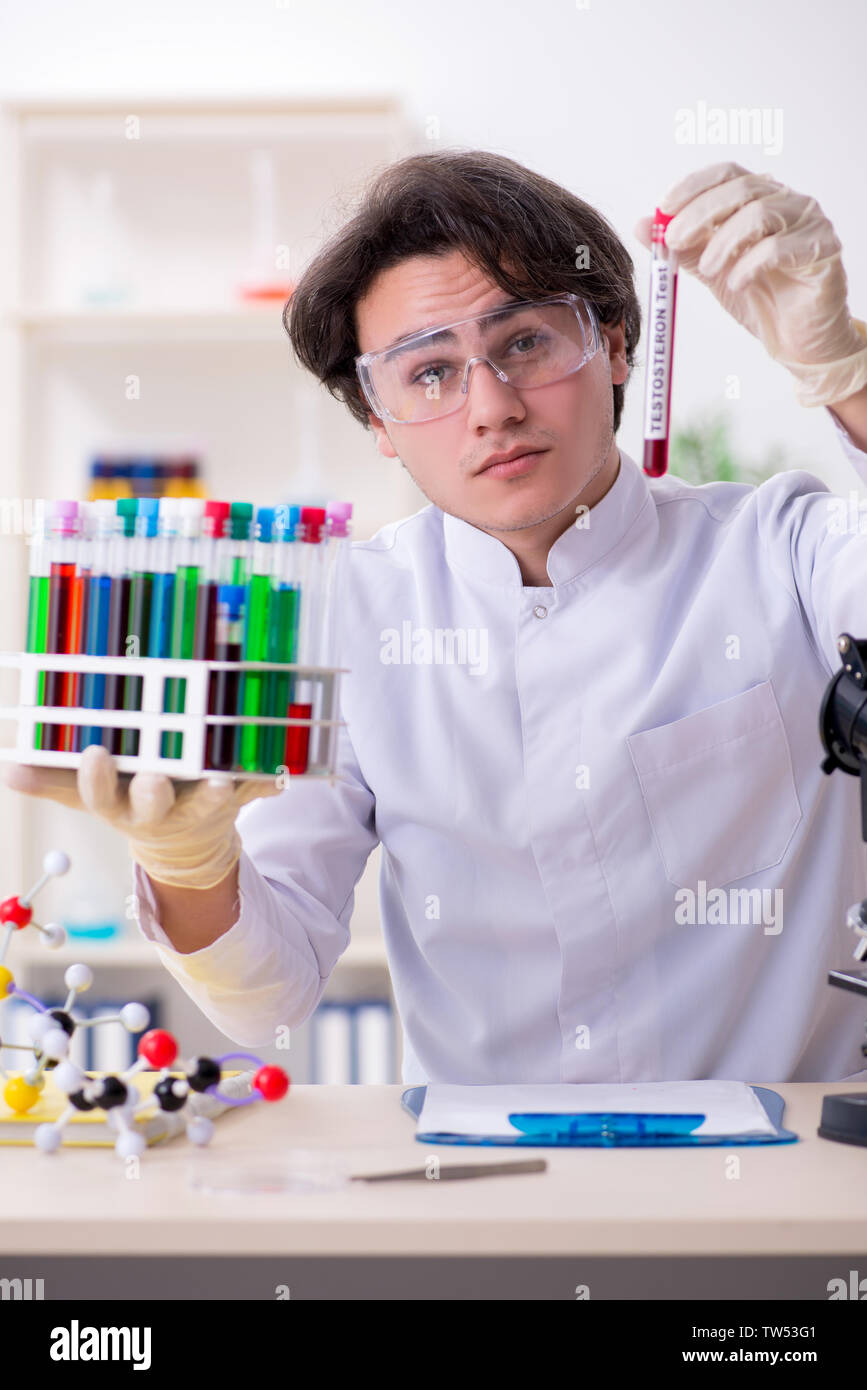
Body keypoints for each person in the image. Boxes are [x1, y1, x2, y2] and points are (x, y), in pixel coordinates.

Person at [9, 152, 867, 1086]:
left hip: (778, 1192)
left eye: (526, 342)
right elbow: (269, 996)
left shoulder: (779, 547)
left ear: (615, 345)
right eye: (428, 374)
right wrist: (185, 858)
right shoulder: (349, 618)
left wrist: (847, 373)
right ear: (376, 421)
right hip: (482, 1192)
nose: (491, 408)